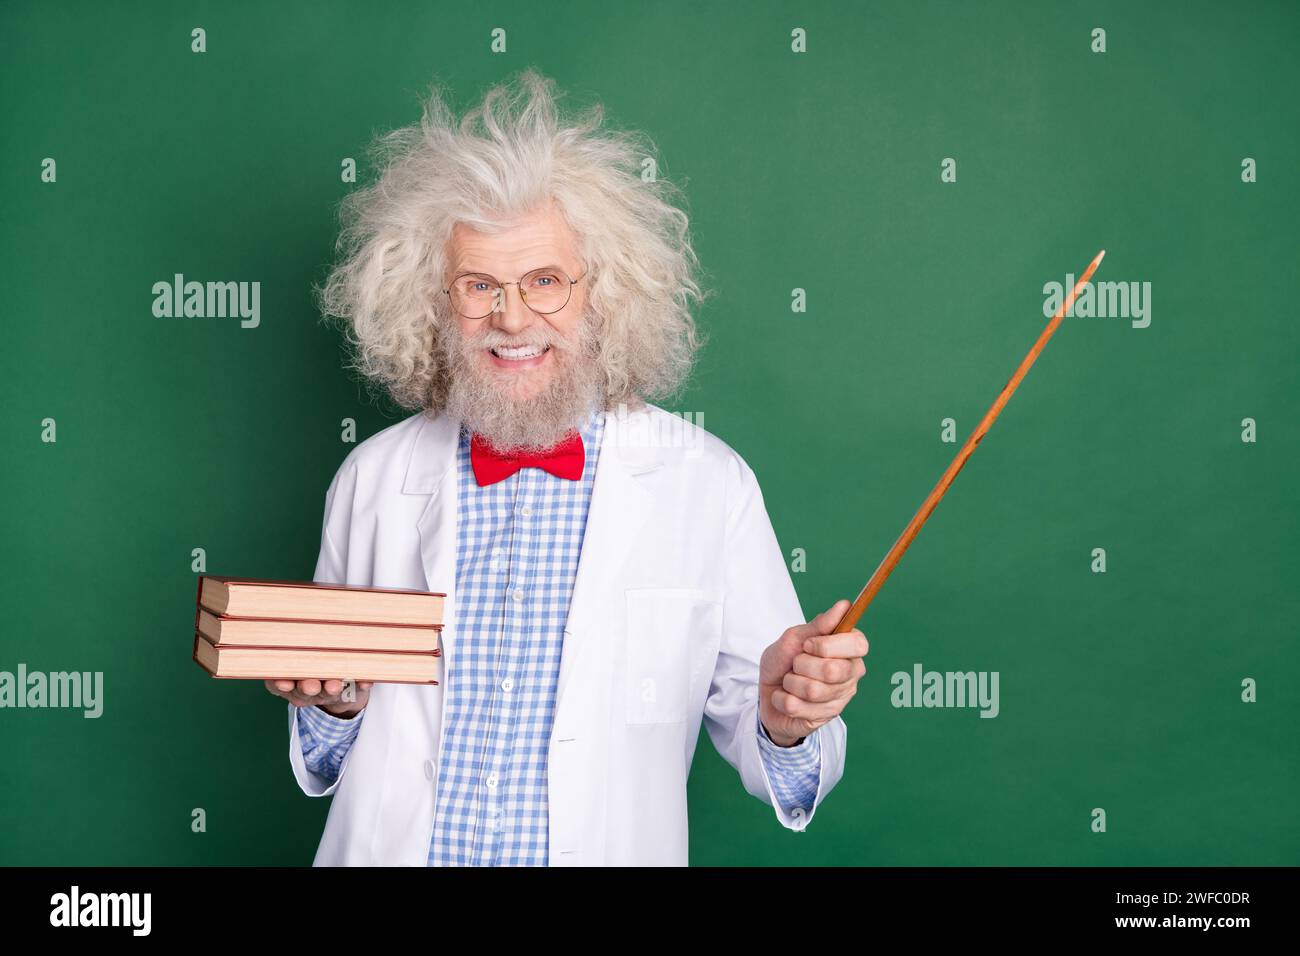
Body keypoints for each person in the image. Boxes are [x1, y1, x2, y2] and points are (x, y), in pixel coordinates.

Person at [265, 69, 867, 866]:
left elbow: (779, 762)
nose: (512, 318)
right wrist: (332, 706)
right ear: (434, 301)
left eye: (545, 281)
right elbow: (323, 759)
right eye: (479, 285)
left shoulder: (707, 485)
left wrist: (788, 721)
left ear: (605, 291)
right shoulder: (372, 479)